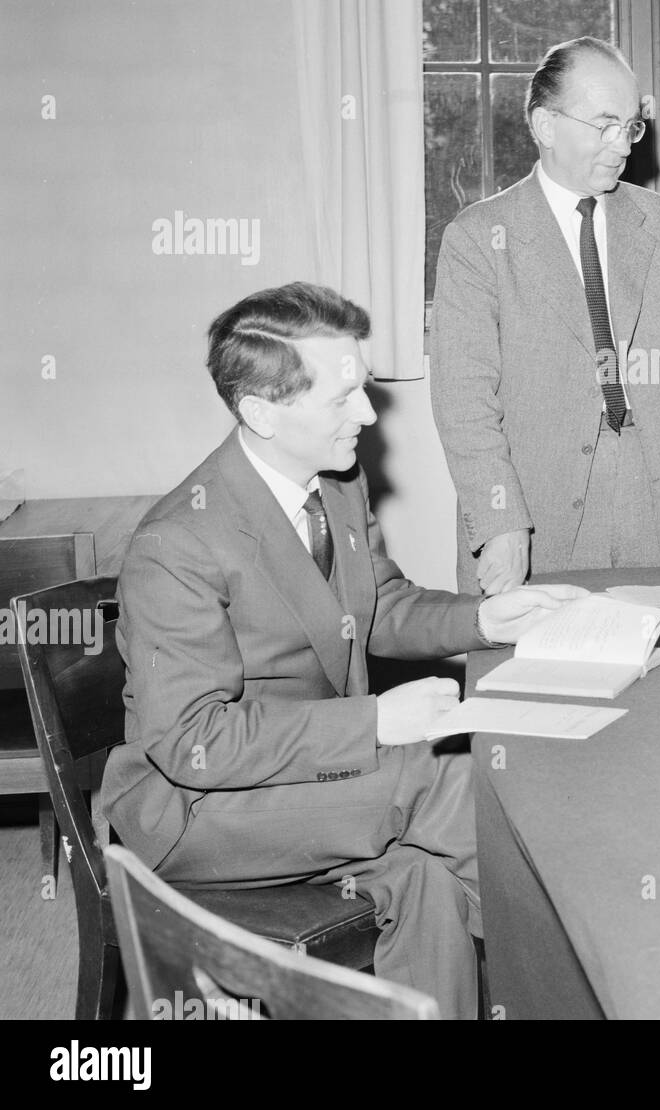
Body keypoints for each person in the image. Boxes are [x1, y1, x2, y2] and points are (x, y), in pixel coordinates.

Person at [101, 282, 585, 1017]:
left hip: (311, 780)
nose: (367, 413)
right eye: (342, 398)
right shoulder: (178, 543)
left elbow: (377, 605)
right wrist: (376, 725)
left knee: (429, 883)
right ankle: (595, 970)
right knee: (441, 774)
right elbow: (191, 742)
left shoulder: (336, 483)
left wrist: (489, 619)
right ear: (261, 411)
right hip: (198, 811)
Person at [429, 36, 660, 594]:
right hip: (533, 519)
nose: (621, 144)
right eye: (603, 124)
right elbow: (463, 401)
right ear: (546, 125)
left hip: (655, 512)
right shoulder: (478, 238)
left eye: (630, 126)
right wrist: (502, 523)